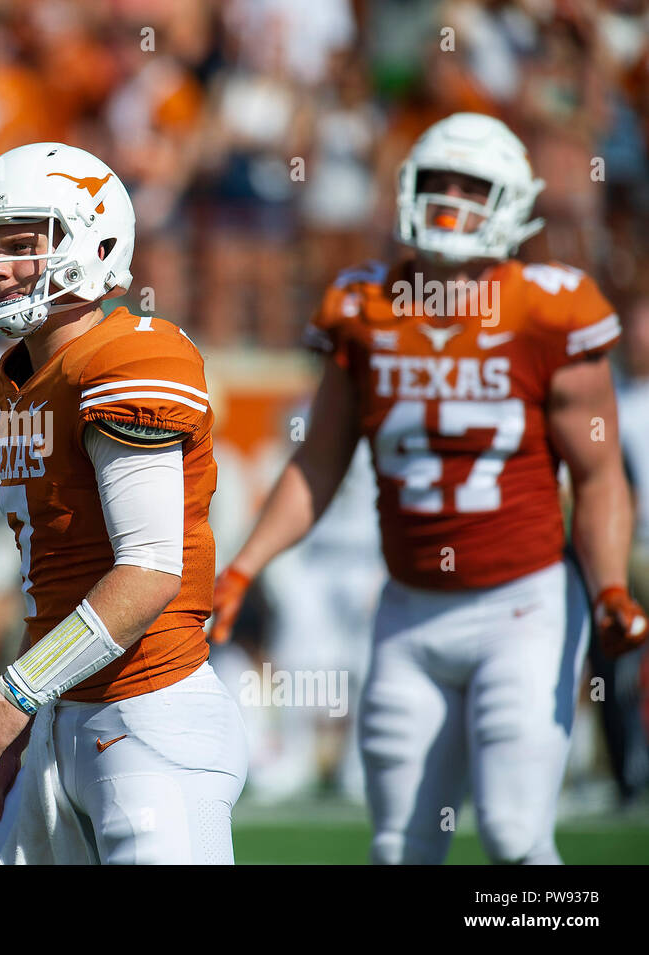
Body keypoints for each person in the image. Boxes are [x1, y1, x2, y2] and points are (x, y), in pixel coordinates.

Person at [209, 113, 648, 864]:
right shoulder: (364, 307)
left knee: (514, 835)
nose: (449, 198)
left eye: (470, 185)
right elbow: (319, 462)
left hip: (523, 605)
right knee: (399, 845)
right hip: (408, 609)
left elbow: (598, 469)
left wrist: (609, 585)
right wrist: (244, 567)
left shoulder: (550, 306)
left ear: (512, 203)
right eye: (436, 181)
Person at [0, 142, 247, 864]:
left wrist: (13, 694)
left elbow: (148, 569)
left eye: (22, 244)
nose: (0, 268)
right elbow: (52, 580)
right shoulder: (15, 379)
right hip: (61, 716)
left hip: (150, 717)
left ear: (99, 242)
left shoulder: (131, 358)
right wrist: (22, 730)